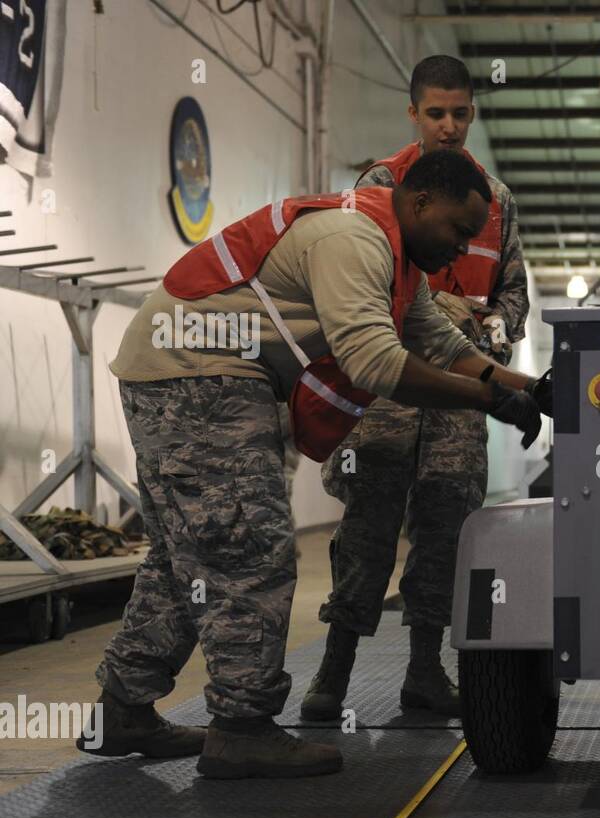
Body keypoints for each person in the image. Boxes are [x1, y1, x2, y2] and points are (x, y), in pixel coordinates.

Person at [78, 148, 549, 779]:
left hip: (188, 372)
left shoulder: (397, 257)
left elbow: (438, 344)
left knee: (183, 556)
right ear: (420, 203)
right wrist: (493, 400)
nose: (463, 251)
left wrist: (528, 388)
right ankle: (242, 730)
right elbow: (377, 365)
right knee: (248, 546)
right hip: (196, 372)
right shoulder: (355, 239)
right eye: (459, 232)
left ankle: (123, 710)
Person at [304, 55, 528, 721]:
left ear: (472, 113)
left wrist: (494, 325)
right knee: (368, 521)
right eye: (436, 113)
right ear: (414, 114)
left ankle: (425, 670)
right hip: (390, 383)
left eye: (460, 113)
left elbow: (513, 291)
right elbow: (369, 281)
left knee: (447, 524)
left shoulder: (499, 201)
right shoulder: (383, 184)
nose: (449, 126)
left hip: (460, 390)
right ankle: (333, 674)